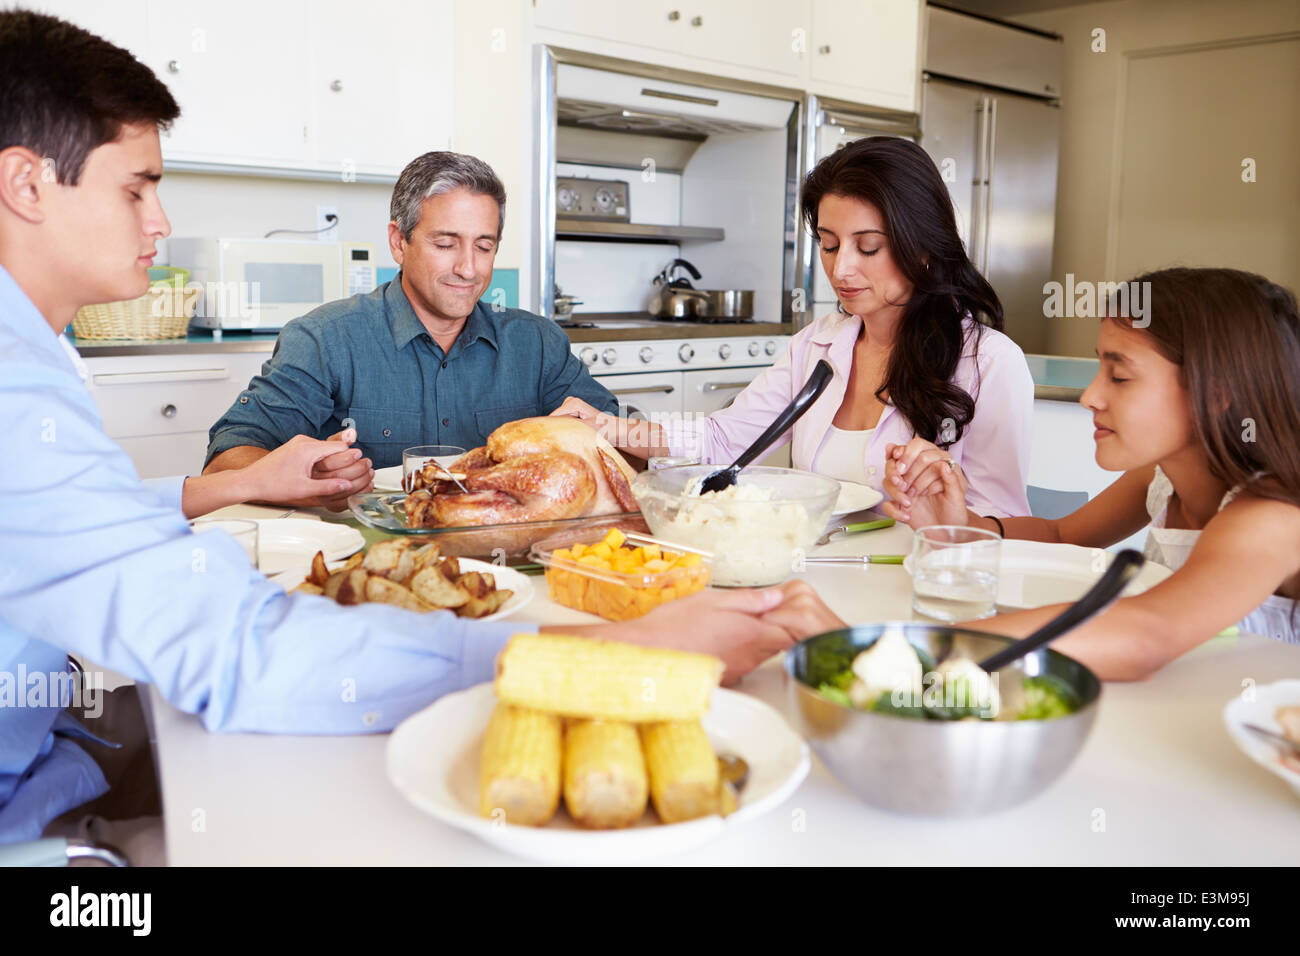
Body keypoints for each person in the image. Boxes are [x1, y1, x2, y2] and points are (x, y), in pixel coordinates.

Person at [0, 9, 843, 851]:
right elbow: (235, 647)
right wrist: (598, 653)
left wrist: (602, 435)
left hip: (65, 740)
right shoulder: (313, 339)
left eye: (486, 245)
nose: (161, 223)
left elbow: (96, 524)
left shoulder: (535, 343)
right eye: (136, 188)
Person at [553, 137, 1034, 518]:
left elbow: (1003, 524)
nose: (841, 269)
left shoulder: (989, 364)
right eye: (829, 245)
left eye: (868, 247)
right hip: (815, 570)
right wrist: (609, 427)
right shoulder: (817, 344)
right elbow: (725, 439)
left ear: (924, 246)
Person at [882, 267, 1300, 679]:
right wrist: (961, 526)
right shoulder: (1162, 477)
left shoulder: (1272, 516)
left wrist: (905, 650)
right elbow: (1062, 536)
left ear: (1215, 395)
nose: (1090, 396)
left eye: (1119, 376)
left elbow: (1146, 634)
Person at [203, 150, 621, 510]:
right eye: (445, 244)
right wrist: (308, 481)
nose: (468, 268)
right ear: (399, 243)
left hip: (512, 554)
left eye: (484, 246)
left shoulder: (538, 344)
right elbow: (227, 457)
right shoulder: (323, 339)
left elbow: (622, 446)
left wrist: (590, 440)